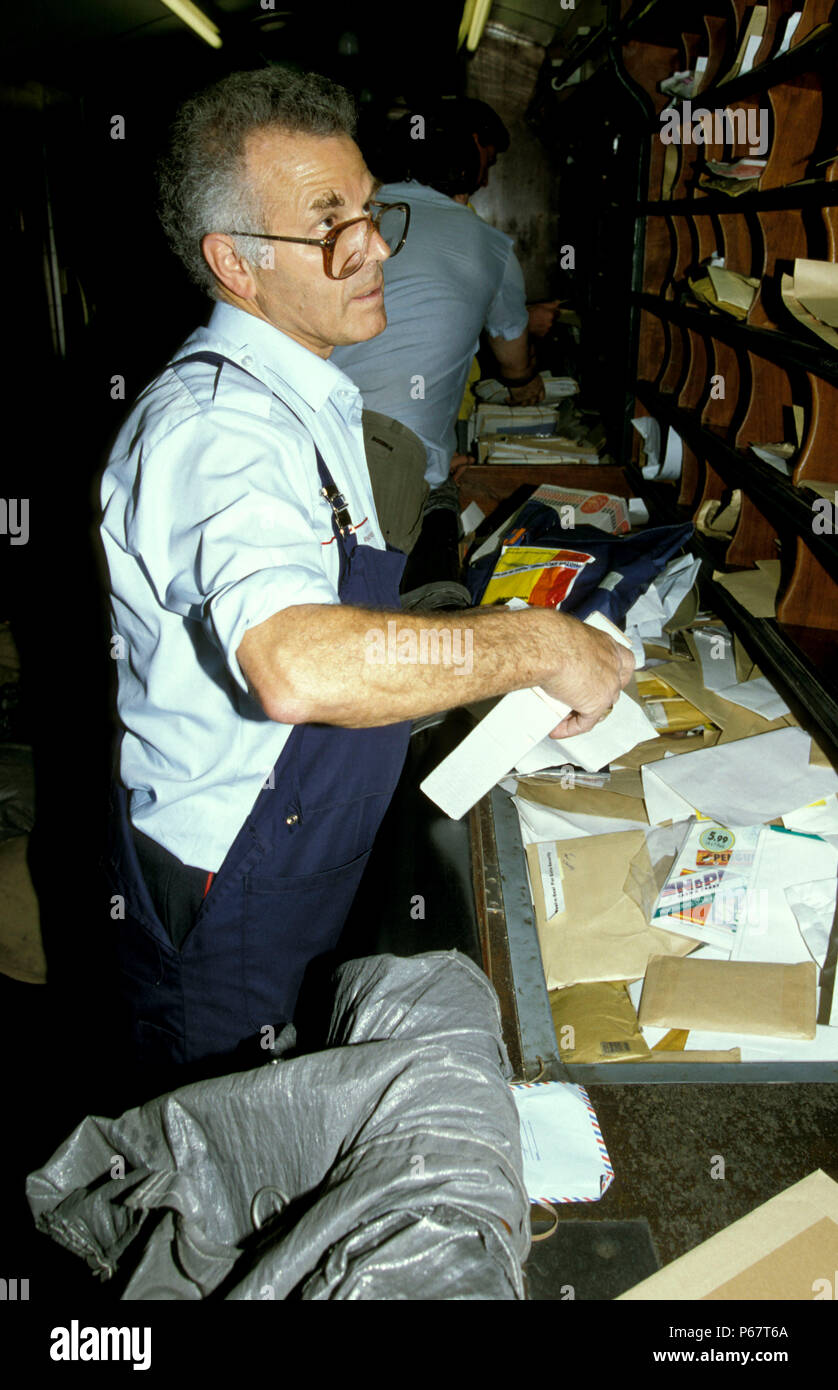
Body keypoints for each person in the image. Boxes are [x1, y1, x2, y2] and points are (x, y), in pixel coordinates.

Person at [99, 66, 633, 1086]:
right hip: (233, 885)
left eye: (370, 208)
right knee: (226, 1168)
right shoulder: (218, 429)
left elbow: (337, 609)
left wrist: (466, 639)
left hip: (303, 851)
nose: (376, 244)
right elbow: (295, 663)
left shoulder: (305, 391)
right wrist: (540, 643)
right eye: (330, 222)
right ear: (237, 265)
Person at [332, 99, 559, 487]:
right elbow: (515, 365)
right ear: (467, 157)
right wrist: (526, 386)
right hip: (393, 467)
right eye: (485, 163)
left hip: (313, 436)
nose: (485, 180)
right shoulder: (489, 245)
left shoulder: (351, 218)